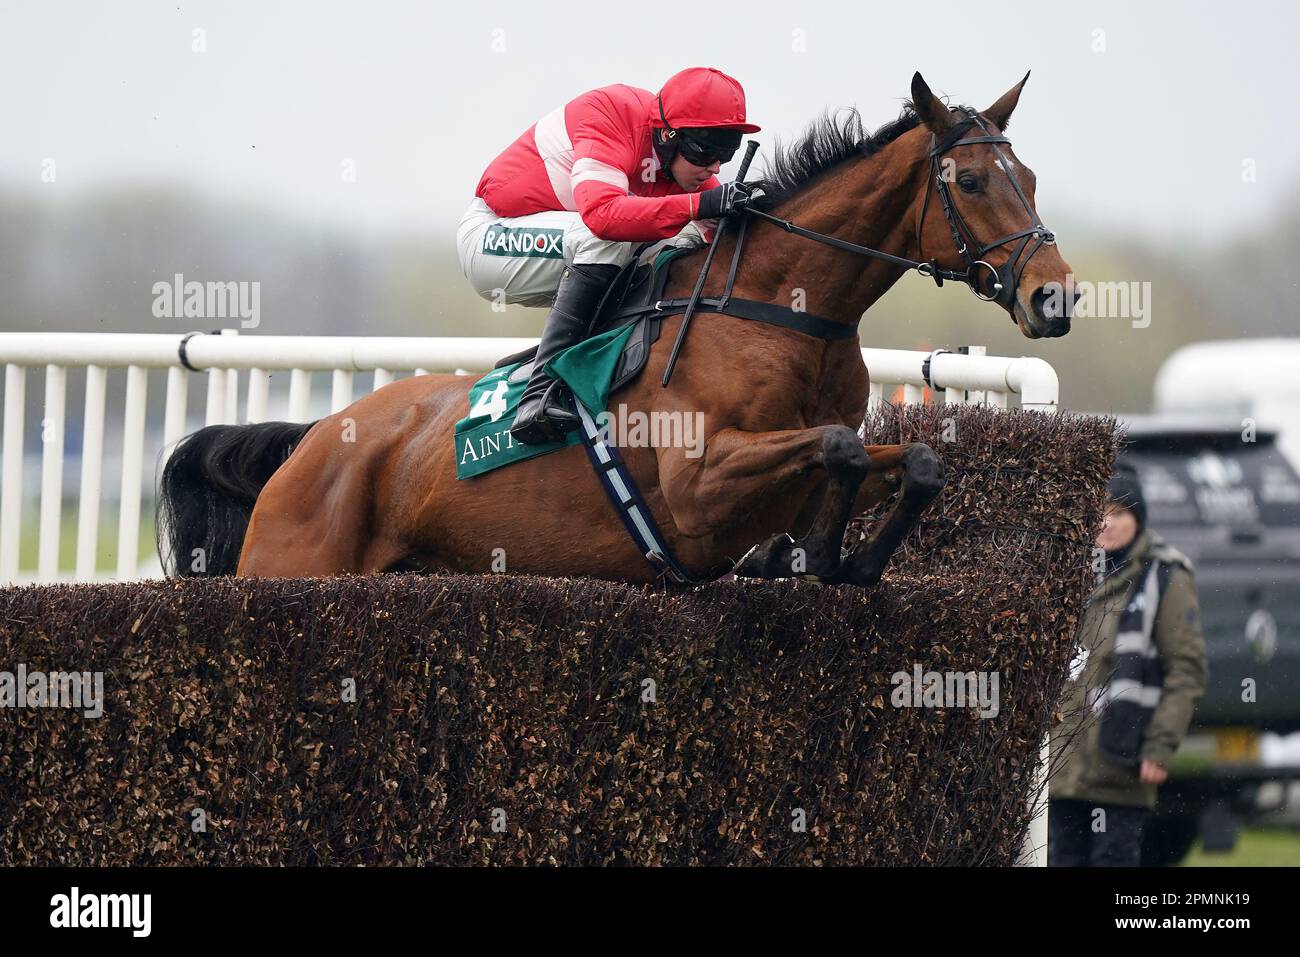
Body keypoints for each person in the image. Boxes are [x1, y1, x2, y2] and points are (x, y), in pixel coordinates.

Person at [456, 67, 761, 444]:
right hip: (492, 238)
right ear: (668, 134)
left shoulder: (676, 158)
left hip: (558, 245)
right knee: (608, 236)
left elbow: (709, 221)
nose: (715, 167)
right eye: (707, 151)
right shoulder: (612, 114)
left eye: (726, 151)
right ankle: (541, 389)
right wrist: (702, 204)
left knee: (691, 237)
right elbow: (603, 217)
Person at [1048, 460, 1208, 866]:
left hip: (1122, 759)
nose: (1107, 523)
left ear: (1138, 518)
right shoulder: (1069, 570)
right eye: (1100, 512)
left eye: (1119, 512)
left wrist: (1160, 746)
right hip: (1062, 764)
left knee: (1112, 859)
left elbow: (1186, 670)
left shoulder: (1166, 574)